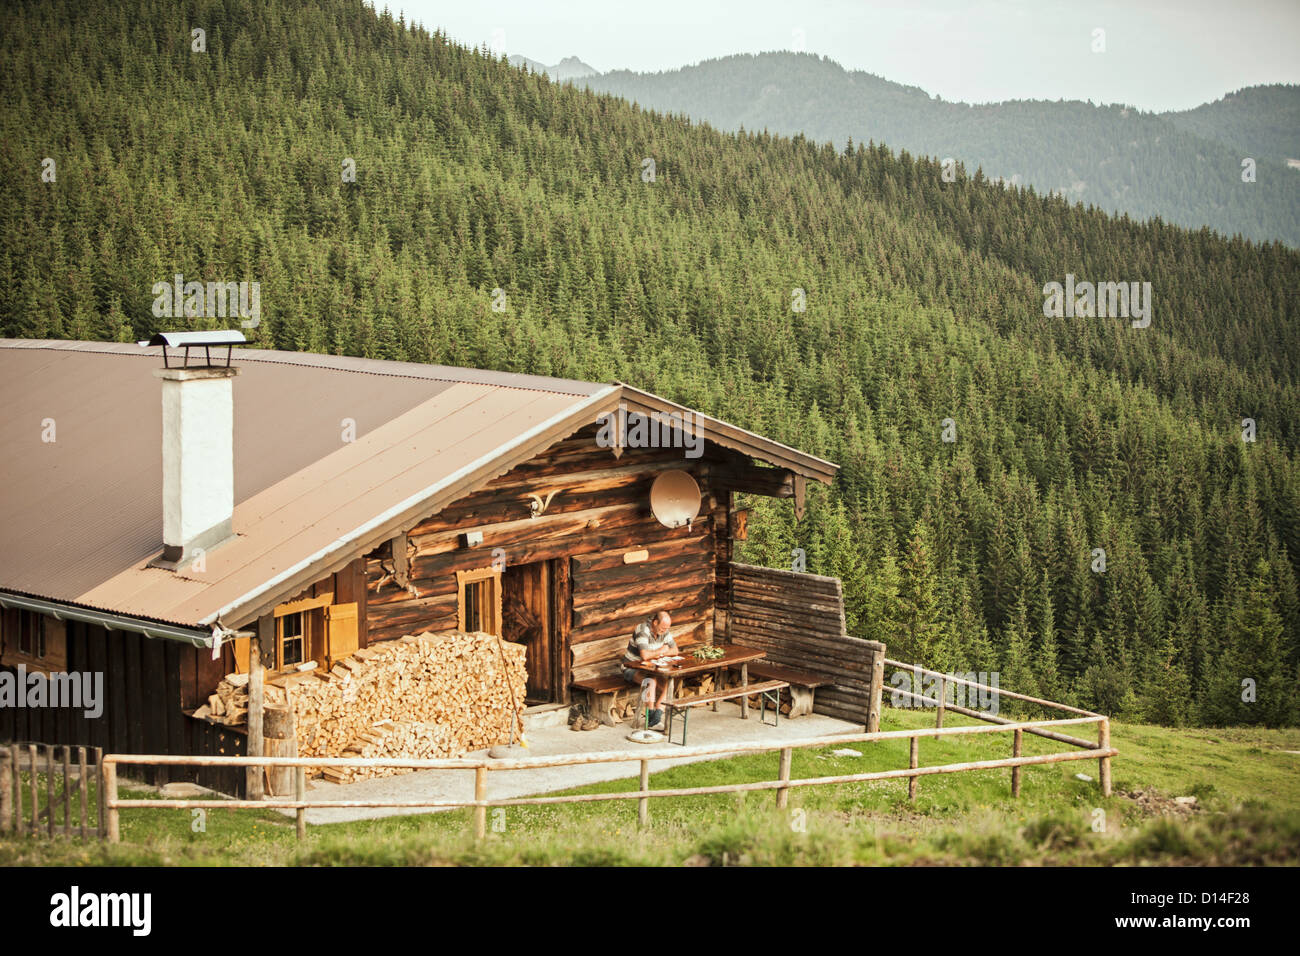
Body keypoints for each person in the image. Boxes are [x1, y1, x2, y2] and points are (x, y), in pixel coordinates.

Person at [623, 610, 678, 729]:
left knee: (669, 684)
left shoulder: (664, 631)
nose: (664, 631)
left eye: (667, 628)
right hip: (630, 668)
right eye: (663, 627)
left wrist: (661, 653)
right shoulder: (642, 630)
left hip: (651, 668)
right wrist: (661, 651)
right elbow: (645, 655)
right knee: (650, 681)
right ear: (655, 622)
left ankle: (657, 713)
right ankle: (650, 715)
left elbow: (675, 650)